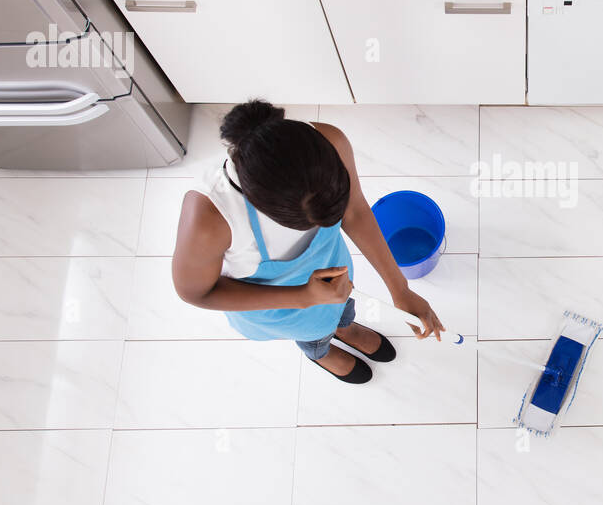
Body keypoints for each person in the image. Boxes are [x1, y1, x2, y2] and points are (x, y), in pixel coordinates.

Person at [171, 100, 444, 384]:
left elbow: (355, 210)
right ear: (261, 204)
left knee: (342, 311)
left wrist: (400, 289)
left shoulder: (329, 142)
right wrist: (303, 297)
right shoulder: (209, 217)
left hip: (334, 282)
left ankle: (343, 328)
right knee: (313, 334)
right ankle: (319, 352)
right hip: (282, 312)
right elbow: (196, 293)